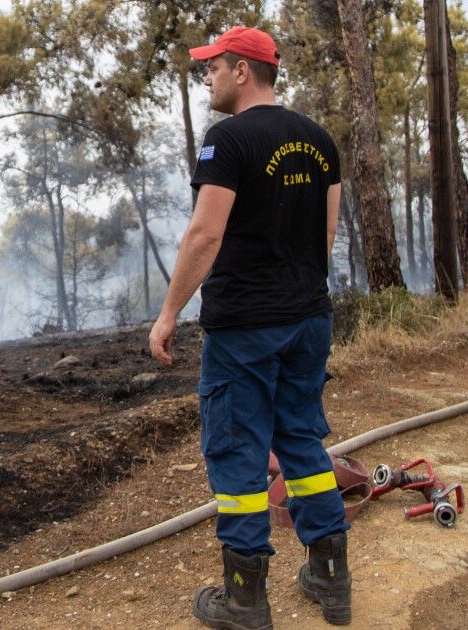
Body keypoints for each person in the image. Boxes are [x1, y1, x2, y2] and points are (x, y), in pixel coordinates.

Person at [147, 26, 351, 629]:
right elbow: (326, 238)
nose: (207, 76)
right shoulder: (319, 140)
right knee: (302, 443)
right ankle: (331, 578)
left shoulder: (227, 139)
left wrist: (167, 315)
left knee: (238, 452)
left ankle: (244, 599)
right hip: (308, 318)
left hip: (245, 328)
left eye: (213, 67)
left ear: (243, 71)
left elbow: (205, 235)